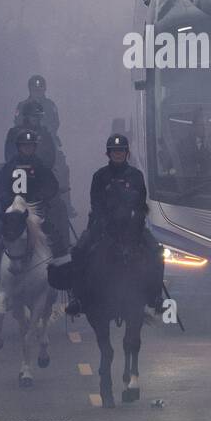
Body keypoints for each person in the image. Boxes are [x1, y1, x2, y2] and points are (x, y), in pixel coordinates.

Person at [66, 134, 164, 315]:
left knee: (157, 251)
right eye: (114, 151)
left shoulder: (136, 175)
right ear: (108, 154)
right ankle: (77, 297)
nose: (118, 154)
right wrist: (103, 221)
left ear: (126, 153)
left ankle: (156, 297)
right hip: (104, 225)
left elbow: (142, 205)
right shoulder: (99, 176)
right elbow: (95, 203)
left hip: (132, 227)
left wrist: (136, 223)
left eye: (121, 151)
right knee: (79, 250)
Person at [0, 130, 65, 299]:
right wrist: (9, 200)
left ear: (34, 148)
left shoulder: (41, 167)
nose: (27, 149)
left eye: (30, 146)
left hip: (35, 214)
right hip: (13, 216)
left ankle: (67, 284)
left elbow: (52, 186)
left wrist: (40, 197)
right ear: (19, 148)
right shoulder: (9, 167)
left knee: (58, 243)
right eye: (24, 146)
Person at [4, 100, 59, 169]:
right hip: (16, 170)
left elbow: (50, 157)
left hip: (40, 171)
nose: (36, 118)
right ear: (26, 116)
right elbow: (9, 155)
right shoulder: (14, 133)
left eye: (38, 116)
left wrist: (42, 169)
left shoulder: (45, 134)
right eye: (33, 115)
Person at [16, 75, 62, 146]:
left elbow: (55, 122)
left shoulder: (50, 105)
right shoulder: (22, 105)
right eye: (34, 88)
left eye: (40, 88)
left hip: (47, 138)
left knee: (57, 153)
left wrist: (46, 132)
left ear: (44, 89)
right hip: (26, 140)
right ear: (30, 89)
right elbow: (18, 122)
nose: (37, 91)